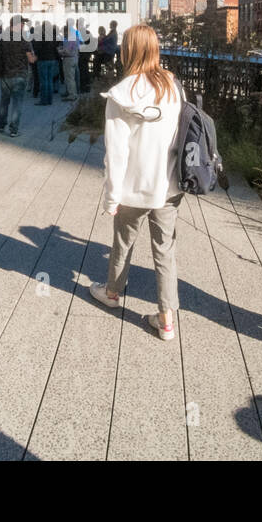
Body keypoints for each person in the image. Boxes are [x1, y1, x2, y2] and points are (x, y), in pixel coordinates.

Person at [88, 24, 184, 342]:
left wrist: (111, 198)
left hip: (135, 186)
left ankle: (112, 293)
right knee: (165, 250)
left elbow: (116, 153)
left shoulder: (120, 94)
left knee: (123, 242)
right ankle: (167, 320)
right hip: (168, 184)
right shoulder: (172, 86)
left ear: (127, 51)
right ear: (155, 48)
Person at [0, 16, 34, 137]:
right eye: (22, 24)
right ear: (16, 25)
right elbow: (30, 59)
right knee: (17, 102)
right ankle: (14, 130)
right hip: (19, 74)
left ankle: (1, 125)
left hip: (4, 74)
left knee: (4, 100)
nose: (23, 26)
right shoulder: (23, 39)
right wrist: (35, 58)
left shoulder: (2, 38)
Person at [33, 20, 60, 105]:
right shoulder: (52, 36)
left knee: (44, 81)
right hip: (51, 59)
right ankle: (49, 100)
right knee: (49, 80)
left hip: (43, 60)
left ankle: (44, 100)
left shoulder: (41, 36)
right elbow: (55, 48)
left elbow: (37, 49)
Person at [60, 21, 80, 100]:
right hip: (75, 58)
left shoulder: (69, 39)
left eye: (64, 32)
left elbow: (67, 51)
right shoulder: (76, 37)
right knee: (72, 77)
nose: (63, 34)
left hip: (69, 59)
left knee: (69, 78)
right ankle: (70, 92)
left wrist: (60, 51)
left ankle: (72, 95)